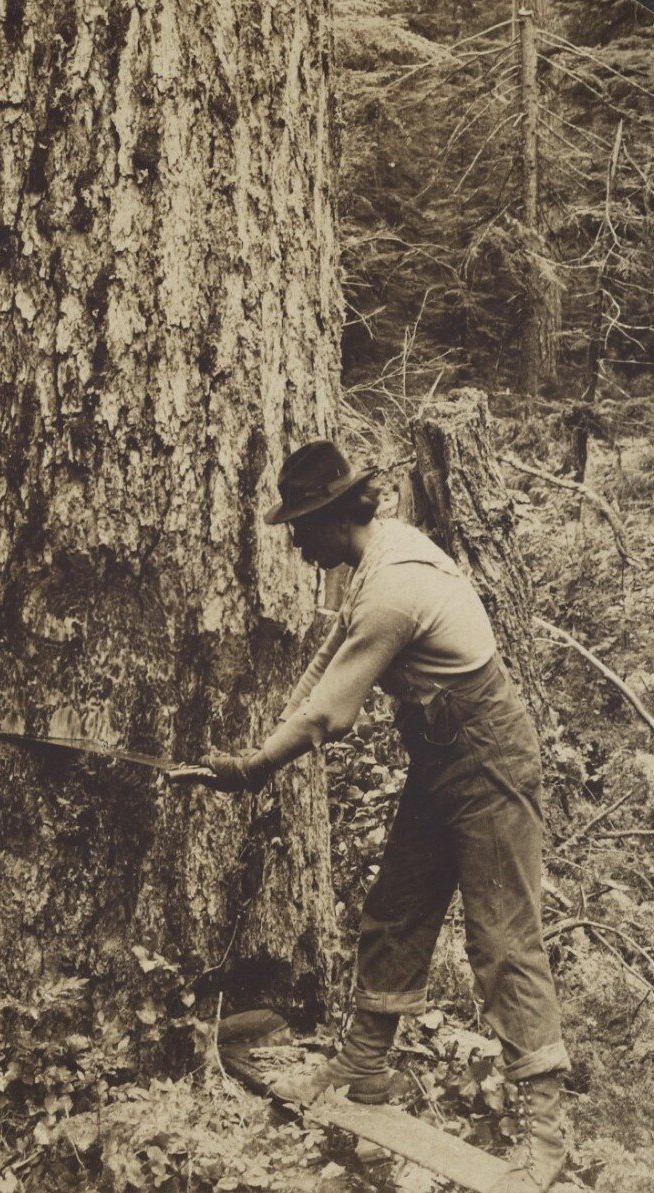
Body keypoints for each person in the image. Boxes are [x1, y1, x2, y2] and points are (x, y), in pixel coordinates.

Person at [197, 440, 570, 1193]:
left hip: (487, 752)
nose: (296, 541)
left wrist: (255, 767)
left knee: (501, 938)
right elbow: (321, 667)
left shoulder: (391, 588)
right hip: (443, 750)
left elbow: (327, 713)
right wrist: (255, 746)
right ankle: (364, 1064)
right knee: (396, 906)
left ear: (337, 518)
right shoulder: (372, 563)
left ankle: (546, 1130)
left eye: (301, 525)